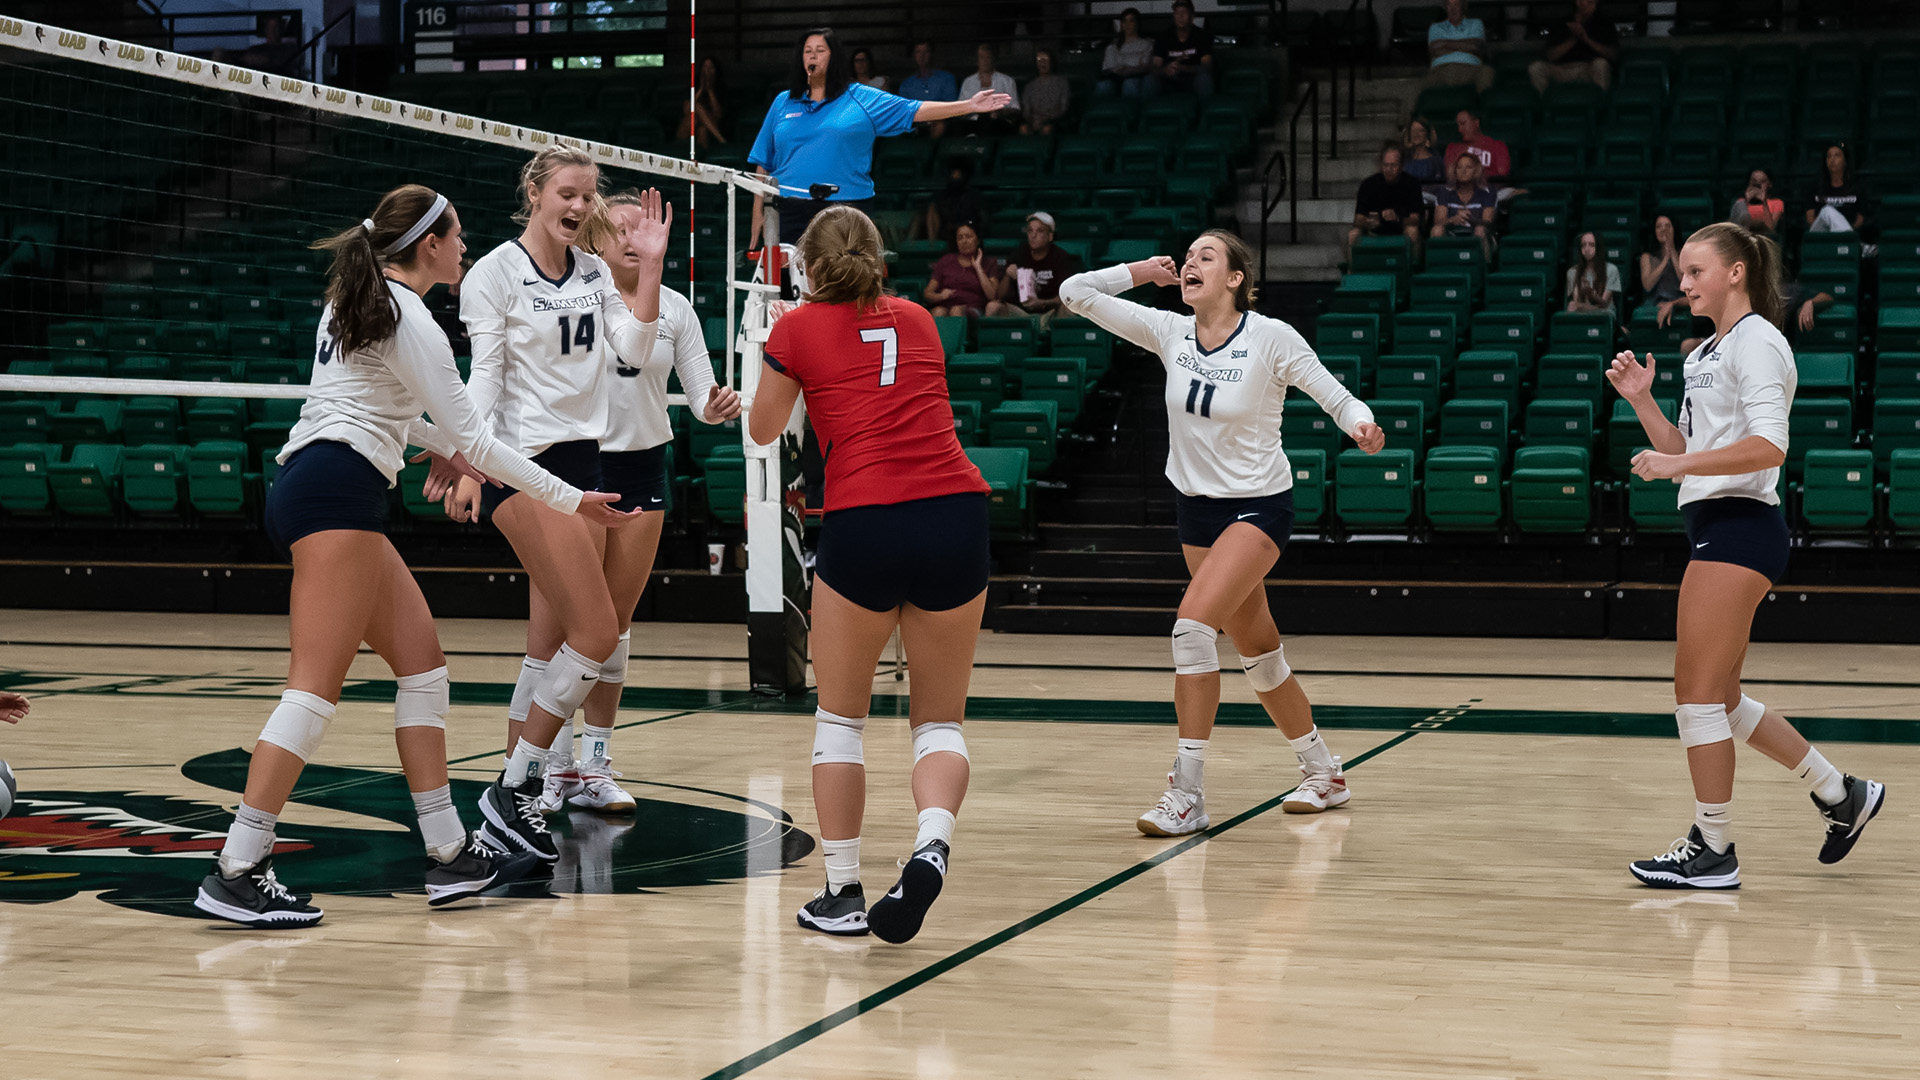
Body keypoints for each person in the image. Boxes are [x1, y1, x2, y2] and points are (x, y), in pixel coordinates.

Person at [193, 184, 636, 928]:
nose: (465, 246)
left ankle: (449, 851)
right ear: (429, 245)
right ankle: (237, 865)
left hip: (321, 486)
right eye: (457, 234)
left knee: (425, 671)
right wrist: (571, 498)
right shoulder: (412, 317)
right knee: (311, 693)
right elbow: (480, 440)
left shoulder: (355, 303)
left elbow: (390, 415)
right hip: (335, 496)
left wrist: (447, 452)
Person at [1060, 233, 1386, 837]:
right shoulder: (1167, 331)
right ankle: (1324, 772)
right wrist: (1140, 271)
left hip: (1259, 511)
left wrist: (1361, 423)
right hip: (1196, 514)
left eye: (1205, 257)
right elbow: (1074, 292)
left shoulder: (1271, 337)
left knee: (1191, 629)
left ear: (1236, 278)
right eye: (1186, 257)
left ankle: (1186, 792)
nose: (1190, 263)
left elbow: (1332, 393)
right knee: (1261, 657)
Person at [1608, 222, 1885, 889]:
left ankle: (1714, 847)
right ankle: (1839, 792)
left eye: (1697, 270)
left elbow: (1768, 446)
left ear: (1735, 273)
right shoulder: (1705, 350)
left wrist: (1685, 462)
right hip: (1718, 526)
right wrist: (1643, 400)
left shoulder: (1760, 342)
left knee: (1693, 695)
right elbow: (1686, 449)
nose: (1685, 282)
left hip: (1740, 529)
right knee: (1723, 700)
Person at [750, 205, 991, 943]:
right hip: (957, 512)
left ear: (808, 267)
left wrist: (773, 341)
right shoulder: (918, 318)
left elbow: (762, 430)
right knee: (940, 721)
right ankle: (931, 844)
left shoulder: (794, 329)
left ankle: (842, 891)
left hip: (866, 518)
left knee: (840, 722)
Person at [449, 149, 678, 865]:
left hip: (583, 466)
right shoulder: (493, 274)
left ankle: (514, 794)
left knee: (558, 643)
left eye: (587, 197)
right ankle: (516, 784)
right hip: (520, 466)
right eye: (567, 195)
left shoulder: (590, 272)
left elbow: (635, 351)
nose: (577, 207)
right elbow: (483, 375)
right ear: (535, 194)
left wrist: (652, 265)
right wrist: (467, 454)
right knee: (597, 630)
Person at [529, 190, 743, 817]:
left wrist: (715, 407)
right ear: (592, 238)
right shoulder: (574, 297)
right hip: (575, 467)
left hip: (642, 466)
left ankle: (594, 762)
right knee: (573, 627)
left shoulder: (674, 308)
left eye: (639, 227)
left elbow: (700, 392)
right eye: (617, 227)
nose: (630, 236)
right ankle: (552, 763)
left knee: (614, 630)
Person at [749, 28, 1010, 248]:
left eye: (820, 50)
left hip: (845, 210)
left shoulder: (861, 98)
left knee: (844, 294)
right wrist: (757, 215)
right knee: (785, 295)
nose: (813, 55)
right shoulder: (783, 102)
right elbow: (764, 161)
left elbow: (913, 109)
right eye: (808, 51)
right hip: (788, 211)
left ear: (835, 57)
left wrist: (968, 106)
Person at [995, 211, 1082, 317]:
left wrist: (1041, 303)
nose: (1033, 235)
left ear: (1050, 236)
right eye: (1030, 231)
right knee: (994, 306)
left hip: (1051, 313)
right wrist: (1007, 276)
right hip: (1021, 313)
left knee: (1069, 309)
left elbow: (1067, 297)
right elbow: (1001, 296)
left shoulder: (1060, 257)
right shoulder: (1018, 255)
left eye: (1039, 231)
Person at [1348, 144, 1426, 262]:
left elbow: (1416, 219)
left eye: (1393, 165)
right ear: (1381, 165)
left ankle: (1412, 271)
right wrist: (1367, 222)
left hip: (1400, 230)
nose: (1389, 169)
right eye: (1386, 165)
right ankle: (1353, 273)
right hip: (1375, 232)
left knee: (1413, 232)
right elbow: (1357, 219)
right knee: (1353, 234)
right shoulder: (1368, 184)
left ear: (1401, 166)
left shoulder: (1412, 184)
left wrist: (1398, 219)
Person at [1528, 0, 1618, 94]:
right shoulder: (1562, 23)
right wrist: (1574, 38)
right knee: (1536, 68)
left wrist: (1587, 40)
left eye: (1595, 3)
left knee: (1601, 64)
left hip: (1588, 68)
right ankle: (1544, 106)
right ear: (1578, 2)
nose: (1594, 7)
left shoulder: (1604, 24)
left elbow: (1613, 54)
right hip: (1562, 69)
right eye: (1590, 3)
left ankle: (1601, 105)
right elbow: (1551, 56)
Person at [924, 223, 1002, 317]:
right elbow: (927, 293)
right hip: (945, 305)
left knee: (956, 310)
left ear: (977, 240)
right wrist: (940, 296)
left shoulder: (989, 262)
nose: (964, 241)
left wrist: (978, 268)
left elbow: (992, 295)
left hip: (973, 309)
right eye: (960, 238)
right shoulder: (946, 261)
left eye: (968, 237)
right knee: (938, 312)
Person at [1432, 153, 1497, 260]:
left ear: (1476, 171)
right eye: (1459, 167)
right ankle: (1438, 270)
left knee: (1480, 230)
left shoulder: (1488, 191)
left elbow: (1488, 221)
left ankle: (1484, 270)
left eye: (1469, 167)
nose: (1463, 171)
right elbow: (1438, 221)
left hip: (1479, 234)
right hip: (1452, 233)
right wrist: (1453, 220)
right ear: (1454, 171)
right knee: (1437, 230)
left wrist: (1471, 220)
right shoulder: (1445, 191)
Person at [1421, 0, 1494, 95]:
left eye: (1456, 4)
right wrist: (1466, 44)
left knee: (1488, 73)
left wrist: (1445, 44)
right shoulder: (1436, 27)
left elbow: (1476, 47)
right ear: (1445, 7)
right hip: (1442, 69)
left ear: (1462, 7)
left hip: (1471, 68)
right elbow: (1435, 50)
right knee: (1416, 88)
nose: (1453, 9)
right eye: (1449, 5)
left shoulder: (1476, 23)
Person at [1150, 0, 1214, 99]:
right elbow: (1154, 66)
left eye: (1184, 13)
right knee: (1150, 80)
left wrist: (1183, 68)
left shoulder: (1202, 36)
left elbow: (1207, 66)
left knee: (1204, 79)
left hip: (1193, 79)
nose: (1180, 16)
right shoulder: (1164, 36)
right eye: (1177, 13)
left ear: (1192, 16)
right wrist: (1165, 70)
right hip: (1169, 79)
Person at [958, 43, 1023, 133]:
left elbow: (1016, 109)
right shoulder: (968, 82)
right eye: (982, 57)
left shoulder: (1007, 81)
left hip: (998, 121)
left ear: (994, 60)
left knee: (989, 124)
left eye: (988, 57)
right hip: (972, 121)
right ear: (977, 60)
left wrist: (1000, 113)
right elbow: (961, 108)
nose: (985, 61)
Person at [898, 41, 959, 136]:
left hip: (939, 119)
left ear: (932, 54)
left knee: (940, 125)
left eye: (926, 52)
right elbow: (904, 108)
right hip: (916, 121)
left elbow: (950, 103)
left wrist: (934, 115)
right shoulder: (907, 83)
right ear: (914, 55)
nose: (922, 56)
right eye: (918, 52)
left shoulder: (946, 78)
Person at [918, 159, 985, 244]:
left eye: (958, 177)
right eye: (953, 176)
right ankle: (932, 244)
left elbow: (980, 219)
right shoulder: (941, 195)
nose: (955, 180)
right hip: (946, 231)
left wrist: (967, 225)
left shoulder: (974, 195)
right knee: (929, 210)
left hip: (968, 227)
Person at [1806, 143, 1866, 234]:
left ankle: (1846, 238)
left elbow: (1860, 220)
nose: (1832, 160)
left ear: (1845, 161)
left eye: (1837, 156)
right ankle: (1849, 240)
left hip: (1850, 231)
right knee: (1827, 211)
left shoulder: (1856, 187)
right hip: (1821, 234)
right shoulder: (1816, 186)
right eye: (1829, 156)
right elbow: (1810, 219)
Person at [1640, 214, 1687, 328]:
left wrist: (1672, 251)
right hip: (1654, 304)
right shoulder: (1647, 257)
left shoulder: (1684, 253)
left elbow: (1684, 282)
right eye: (1659, 226)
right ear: (1654, 231)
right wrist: (1666, 259)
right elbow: (1647, 285)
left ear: (1674, 229)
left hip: (1679, 303)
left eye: (1667, 226)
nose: (1663, 230)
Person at [1444, 108, 1511, 185]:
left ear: (1476, 122)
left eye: (1463, 123)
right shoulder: (1452, 147)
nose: (1459, 129)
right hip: (1461, 192)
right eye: (1458, 125)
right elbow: (1450, 176)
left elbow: (1501, 177)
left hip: (1493, 191)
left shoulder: (1497, 146)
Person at [1100, 8, 1156, 98]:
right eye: (1124, 21)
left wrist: (1127, 69)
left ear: (1137, 24)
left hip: (1136, 79)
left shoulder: (1146, 44)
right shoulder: (1112, 47)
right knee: (1103, 86)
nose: (1127, 25)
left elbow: (1144, 66)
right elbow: (1109, 69)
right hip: (1115, 79)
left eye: (1131, 21)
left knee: (1130, 84)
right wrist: (1130, 67)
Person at [1565, 230, 1621, 316]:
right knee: (1571, 305)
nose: (1586, 249)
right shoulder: (1572, 272)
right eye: (1583, 245)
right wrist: (1582, 294)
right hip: (1582, 312)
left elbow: (1604, 304)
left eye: (1591, 245)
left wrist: (1592, 294)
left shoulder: (1611, 269)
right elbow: (1576, 303)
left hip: (1604, 313)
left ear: (1598, 247)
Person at [677, 56, 728, 148]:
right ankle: (721, 140)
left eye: (710, 67)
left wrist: (710, 91)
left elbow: (719, 115)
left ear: (716, 70)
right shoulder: (692, 87)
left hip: (711, 128)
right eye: (705, 67)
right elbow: (687, 110)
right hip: (688, 127)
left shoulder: (721, 88)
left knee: (702, 130)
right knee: (696, 108)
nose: (707, 71)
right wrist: (700, 89)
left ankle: (701, 157)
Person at [1022, 49, 1071, 135]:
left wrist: (1046, 118)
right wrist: (1034, 120)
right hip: (1035, 121)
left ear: (1052, 62)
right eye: (1040, 60)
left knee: (1047, 129)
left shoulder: (1062, 83)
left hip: (1054, 121)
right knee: (1023, 129)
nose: (1043, 62)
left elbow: (1063, 109)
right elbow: (1026, 111)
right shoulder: (1029, 86)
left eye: (1046, 60)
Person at [1729, 168, 1785, 236]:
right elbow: (1735, 226)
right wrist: (1746, 201)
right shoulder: (1740, 202)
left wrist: (1764, 203)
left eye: (1763, 181)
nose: (1758, 184)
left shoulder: (1777, 203)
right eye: (1754, 181)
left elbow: (1770, 229)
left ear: (1770, 184)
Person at [1403, 117, 1446, 187]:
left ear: (1427, 133)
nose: (1416, 134)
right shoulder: (1404, 158)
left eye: (1420, 131)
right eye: (1413, 131)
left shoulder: (1435, 161)